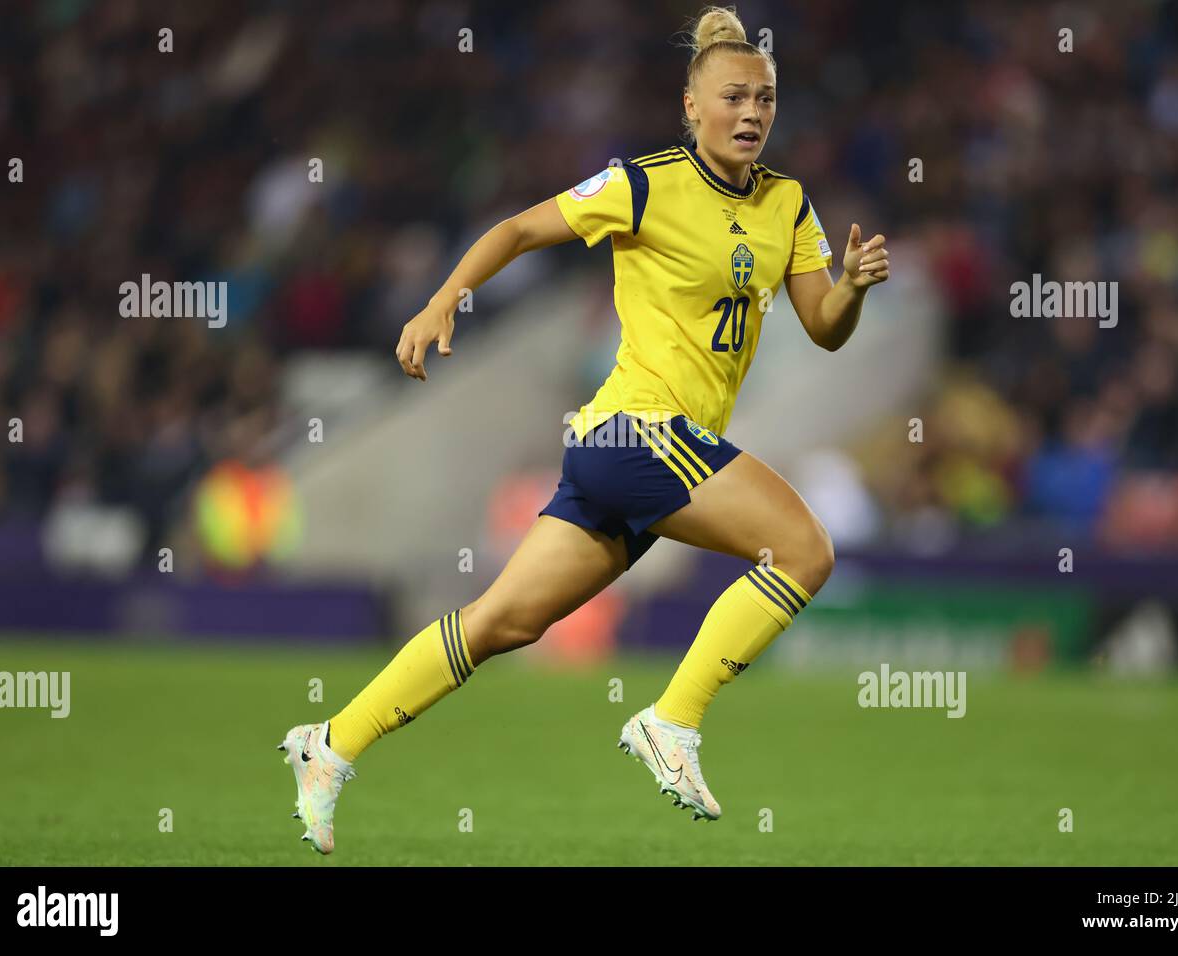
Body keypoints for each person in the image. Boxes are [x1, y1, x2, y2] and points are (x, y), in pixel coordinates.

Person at [278, 4, 890, 853]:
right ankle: (673, 722)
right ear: (690, 106)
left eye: (765, 99)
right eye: (733, 96)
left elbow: (824, 325)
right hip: (638, 432)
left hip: (640, 455)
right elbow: (520, 227)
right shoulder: (643, 184)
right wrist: (442, 298)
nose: (751, 113)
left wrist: (853, 286)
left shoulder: (788, 204)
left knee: (502, 623)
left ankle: (331, 744)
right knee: (805, 551)